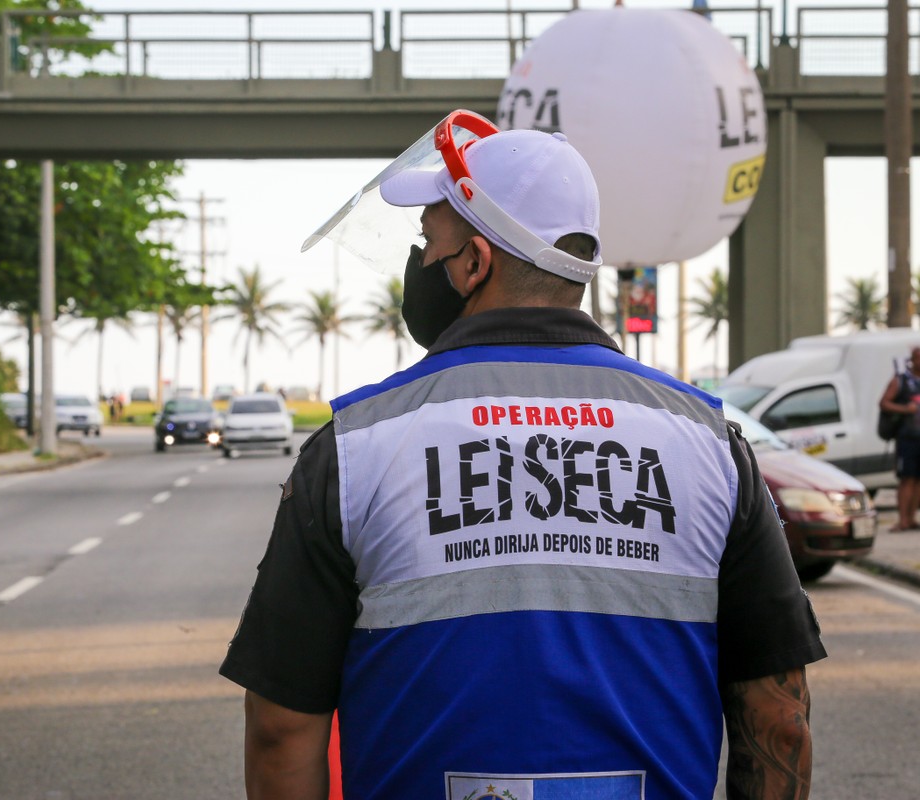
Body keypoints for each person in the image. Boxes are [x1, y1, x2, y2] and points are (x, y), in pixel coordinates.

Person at [220, 112, 825, 800]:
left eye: (428, 243)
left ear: (474, 263)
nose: (420, 265)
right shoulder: (710, 444)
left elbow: (281, 728)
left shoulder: (357, 446)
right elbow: (778, 714)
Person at [880, 347, 920, 531]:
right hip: (907, 438)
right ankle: (902, 520)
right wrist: (905, 409)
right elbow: (884, 402)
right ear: (912, 359)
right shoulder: (901, 380)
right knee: (907, 479)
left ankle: (911, 518)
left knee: (918, 480)